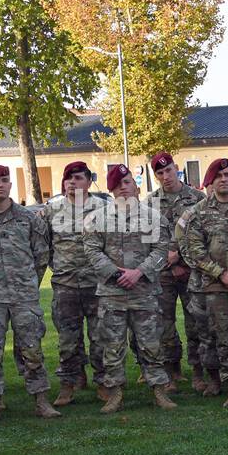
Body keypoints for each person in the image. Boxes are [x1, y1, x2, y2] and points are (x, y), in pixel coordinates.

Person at [0, 165, 61, 423]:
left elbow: (41, 255)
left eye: (4, 180)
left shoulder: (29, 219)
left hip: (23, 295)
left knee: (32, 348)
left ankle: (40, 400)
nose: (0, 185)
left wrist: (29, 283)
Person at [84, 165, 178, 414]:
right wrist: (115, 274)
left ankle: (159, 390)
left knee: (151, 343)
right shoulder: (97, 219)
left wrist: (139, 272)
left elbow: (160, 250)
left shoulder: (153, 217)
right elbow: (92, 251)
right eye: (118, 184)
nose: (124, 187)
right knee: (112, 345)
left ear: (135, 186)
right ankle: (114, 393)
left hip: (144, 292)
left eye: (127, 182)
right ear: (111, 190)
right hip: (112, 293)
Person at [178, 157, 228, 407]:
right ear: (212, 181)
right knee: (225, 336)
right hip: (217, 287)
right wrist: (222, 274)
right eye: (218, 176)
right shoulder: (199, 212)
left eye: (227, 174)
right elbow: (195, 251)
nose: (224, 179)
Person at [42, 161, 105, 407]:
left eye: (78, 178)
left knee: (100, 338)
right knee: (68, 340)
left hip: (97, 285)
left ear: (89, 182)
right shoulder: (52, 210)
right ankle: (68, 384)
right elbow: (43, 245)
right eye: (68, 178)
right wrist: (55, 266)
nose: (72, 182)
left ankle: (103, 383)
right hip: (65, 285)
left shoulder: (104, 209)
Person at [146, 153, 206, 388]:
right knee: (164, 322)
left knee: (195, 320)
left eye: (168, 170)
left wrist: (180, 259)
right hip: (163, 273)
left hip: (191, 270)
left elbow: (201, 234)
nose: (165, 176)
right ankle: (172, 370)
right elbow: (149, 240)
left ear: (176, 168)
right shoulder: (150, 203)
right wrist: (167, 260)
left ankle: (199, 370)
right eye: (160, 173)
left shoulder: (197, 198)